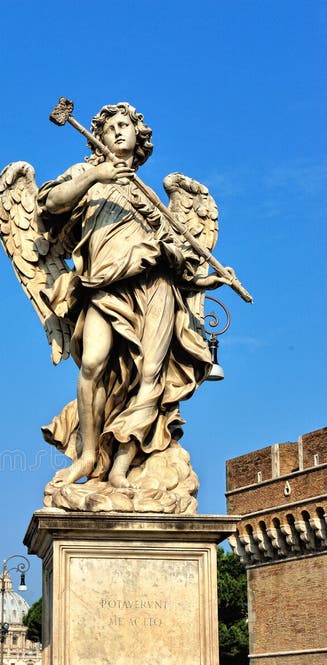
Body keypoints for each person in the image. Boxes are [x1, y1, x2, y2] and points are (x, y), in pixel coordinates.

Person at [38, 102, 232, 488]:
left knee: (150, 377)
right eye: (112, 127)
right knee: (92, 365)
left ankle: (123, 466)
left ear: (138, 137)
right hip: (103, 286)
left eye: (126, 126)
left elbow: (174, 256)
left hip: (155, 288)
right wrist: (97, 175)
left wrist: (202, 280)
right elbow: (50, 204)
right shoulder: (88, 174)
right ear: (101, 136)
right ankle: (89, 455)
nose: (119, 132)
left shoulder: (151, 195)